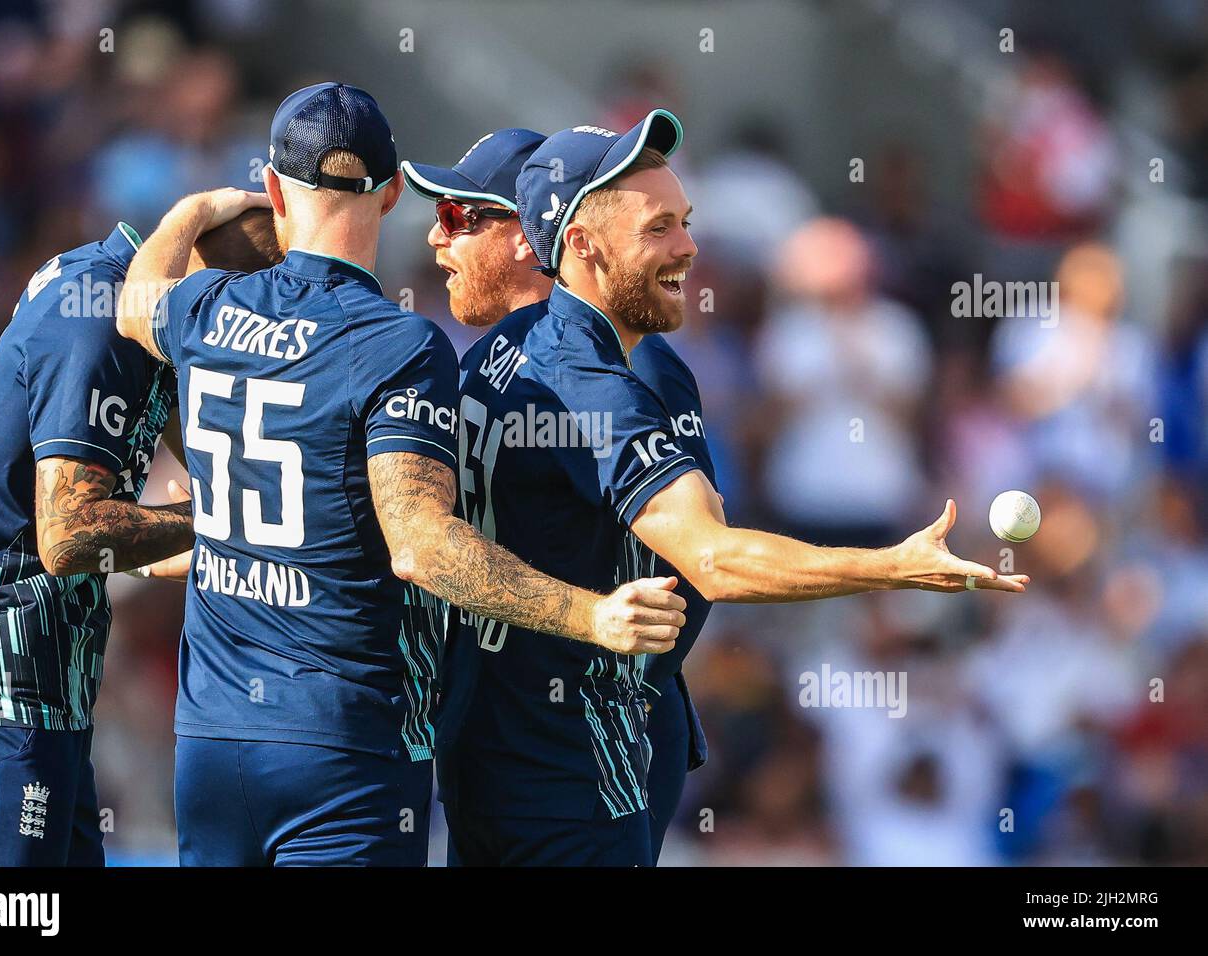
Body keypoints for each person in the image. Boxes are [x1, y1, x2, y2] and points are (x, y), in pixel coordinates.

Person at [114, 83, 684, 867]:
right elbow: (421, 547)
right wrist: (593, 617)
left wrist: (194, 210)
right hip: (342, 748)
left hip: (212, 741)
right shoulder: (400, 345)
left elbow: (135, 303)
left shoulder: (209, 308)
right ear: (387, 200)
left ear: (276, 189)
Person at [442, 110, 1030, 867]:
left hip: (496, 750)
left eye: (685, 222)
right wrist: (891, 567)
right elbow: (714, 560)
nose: (689, 246)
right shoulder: (601, 386)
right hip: (576, 769)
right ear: (582, 244)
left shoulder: (497, 351)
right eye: (659, 227)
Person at [0, 211, 279, 866]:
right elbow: (70, 532)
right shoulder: (99, 314)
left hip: (49, 676)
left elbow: (204, 472)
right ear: (222, 292)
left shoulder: (151, 318)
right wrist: (231, 521)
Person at [402, 127, 714, 861]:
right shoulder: (492, 353)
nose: (435, 238)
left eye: (456, 218)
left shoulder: (638, 366)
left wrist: (613, 690)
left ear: (522, 233)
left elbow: (696, 565)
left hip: (582, 745)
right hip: (500, 736)